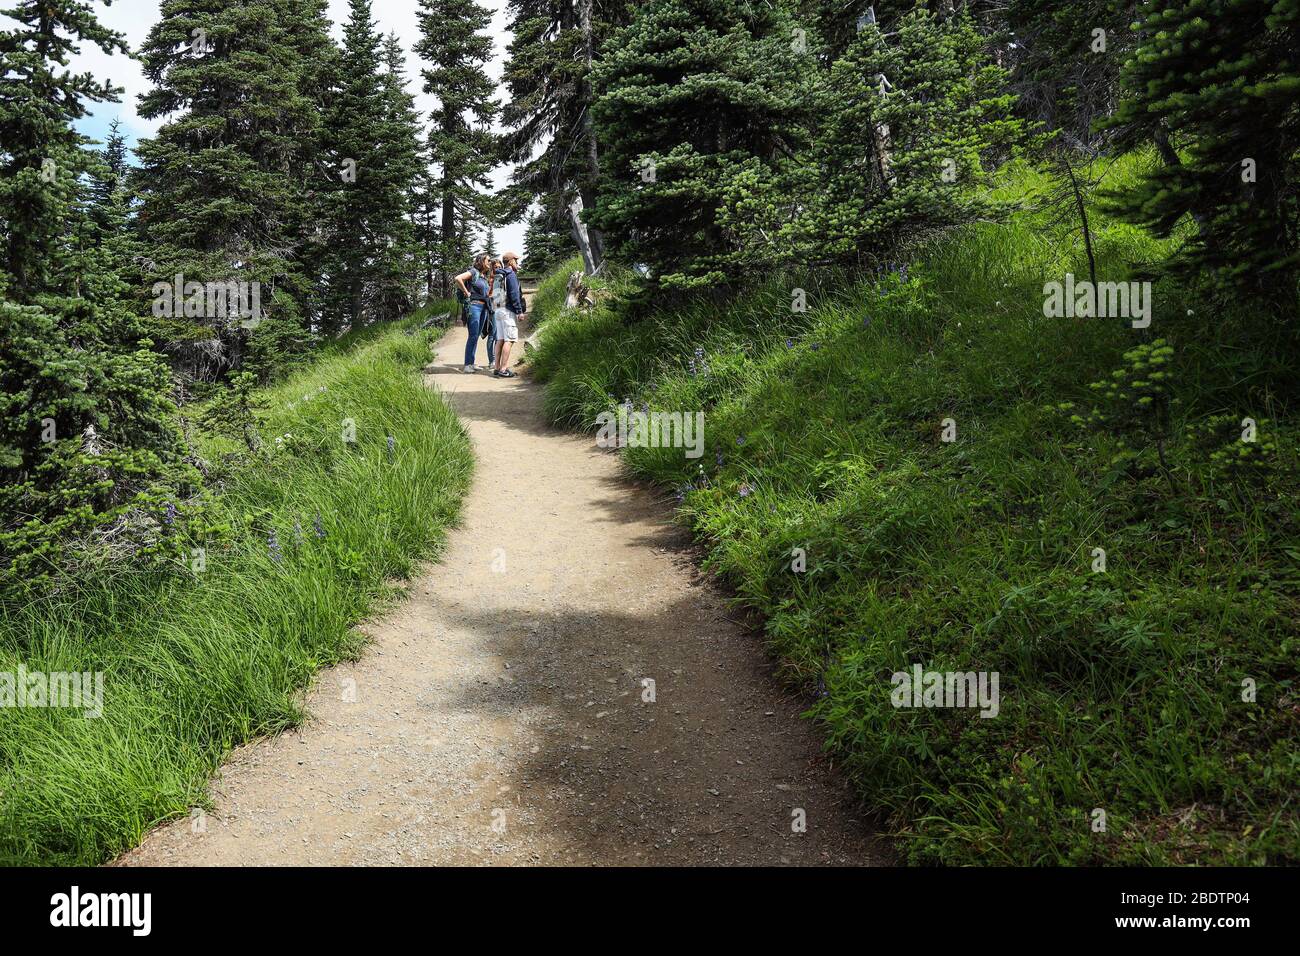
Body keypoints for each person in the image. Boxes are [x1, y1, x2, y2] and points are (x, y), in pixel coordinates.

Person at [454, 254, 492, 373]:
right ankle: (467, 365)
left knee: (476, 335)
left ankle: (471, 362)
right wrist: (466, 292)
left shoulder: (483, 276)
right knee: (473, 335)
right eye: (488, 260)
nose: (490, 263)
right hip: (474, 307)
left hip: (483, 308)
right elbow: (458, 278)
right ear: (481, 261)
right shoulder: (473, 272)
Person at [492, 251, 526, 378]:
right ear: (511, 261)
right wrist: (519, 311)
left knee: (500, 339)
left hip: (498, 309)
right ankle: (504, 369)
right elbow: (514, 294)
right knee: (509, 340)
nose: (517, 263)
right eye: (516, 260)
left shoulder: (498, 274)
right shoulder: (510, 274)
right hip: (507, 311)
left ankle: (497, 368)